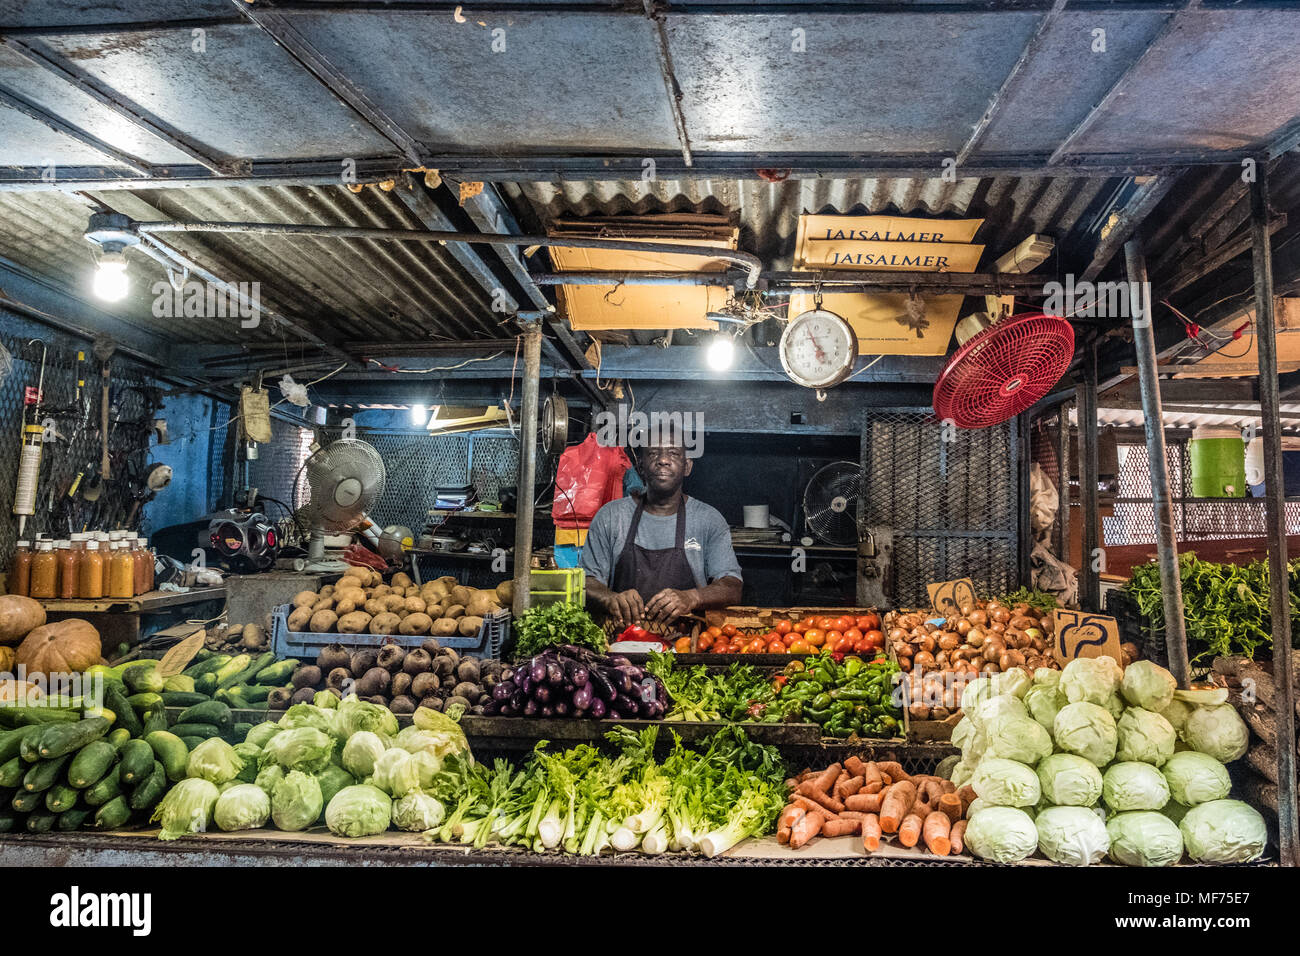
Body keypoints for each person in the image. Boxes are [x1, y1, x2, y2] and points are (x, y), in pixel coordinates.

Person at [580, 437, 742, 628]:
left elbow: (732, 587)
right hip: (621, 640)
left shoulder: (708, 519)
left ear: (687, 466)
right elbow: (585, 584)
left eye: (673, 453)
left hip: (686, 645)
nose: (663, 460)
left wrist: (691, 597)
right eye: (653, 453)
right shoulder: (611, 516)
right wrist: (610, 599)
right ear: (640, 466)